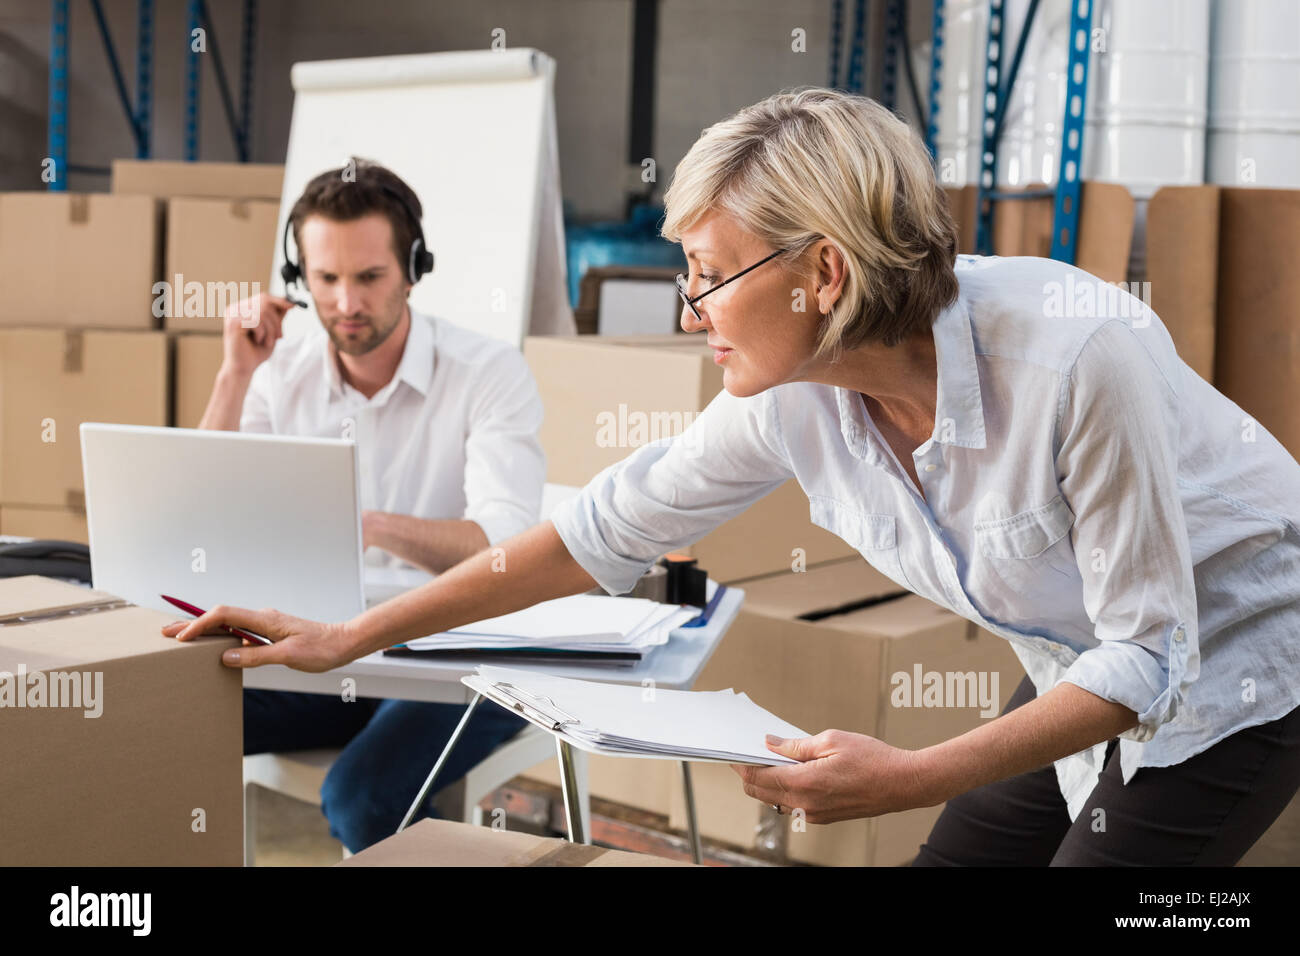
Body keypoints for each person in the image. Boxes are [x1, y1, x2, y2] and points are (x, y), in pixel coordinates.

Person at [166, 90, 1300, 866]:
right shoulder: (788, 394)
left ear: (823, 270)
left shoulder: (1073, 354)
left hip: (1241, 653)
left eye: (706, 274)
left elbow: (1153, 652)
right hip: (1080, 650)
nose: (688, 305)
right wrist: (344, 638)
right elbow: (582, 537)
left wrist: (908, 769)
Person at [196, 158, 537, 852]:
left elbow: (506, 550)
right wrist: (235, 374)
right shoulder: (277, 374)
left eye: (369, 277)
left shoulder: (489, 373)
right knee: (168, 717)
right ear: (299, 280)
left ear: (413, 268)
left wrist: (365, 525)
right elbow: (203, 513)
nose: (346, 302)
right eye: (325, 279)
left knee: (357, 800)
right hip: (326, 660)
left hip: (461, 661)